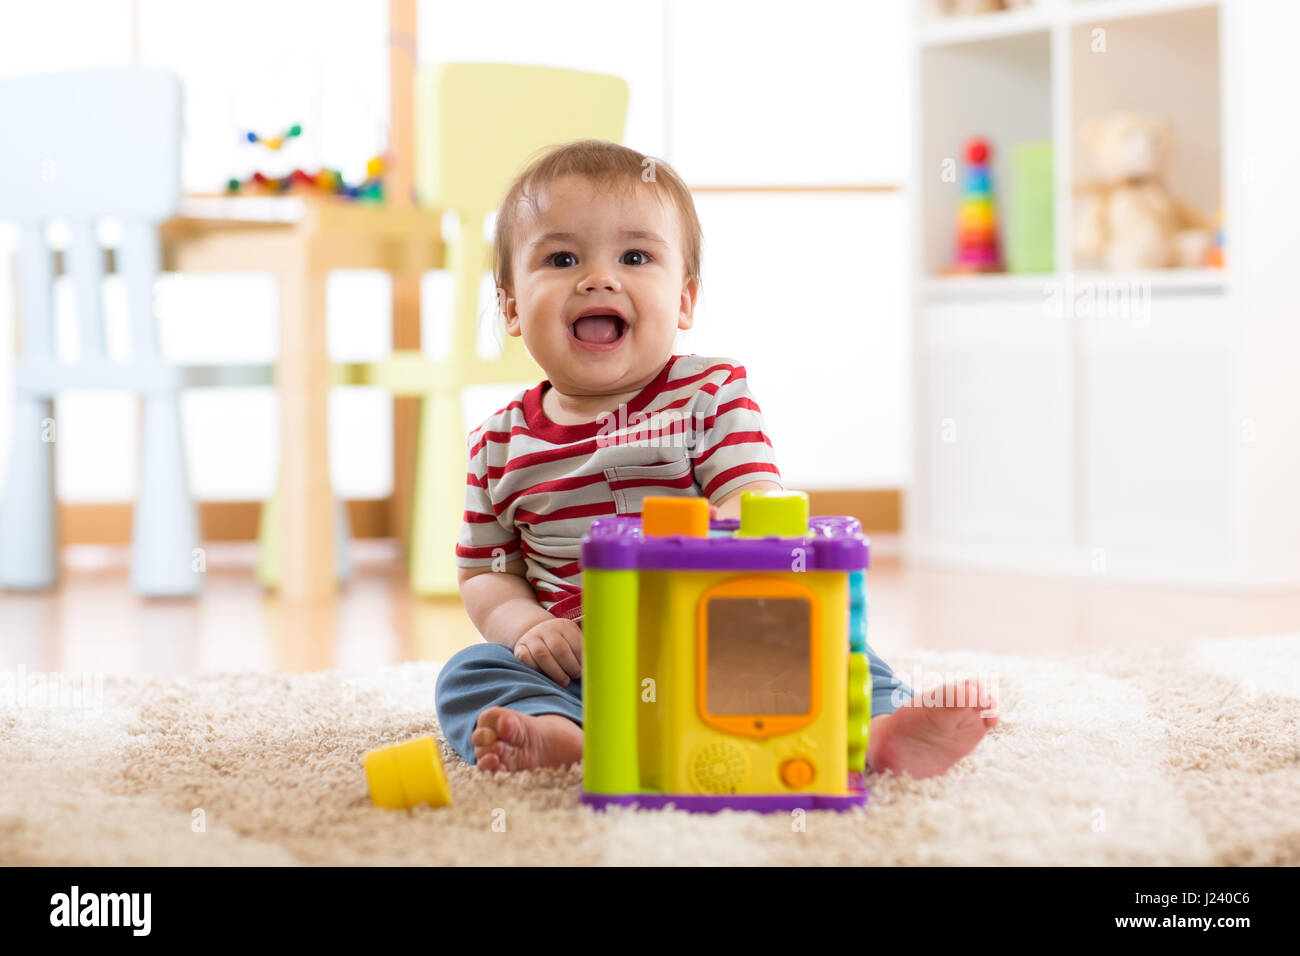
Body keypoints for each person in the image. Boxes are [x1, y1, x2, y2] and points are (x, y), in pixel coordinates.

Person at [435, 140, 998, 780]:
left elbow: (750, 499)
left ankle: (877, 730)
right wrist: (528, 626)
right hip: (583, 666)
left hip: (716, 643)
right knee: (467, 674)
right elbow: (486, 573)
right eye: (562, 258)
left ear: (684, 300)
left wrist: (721, 564)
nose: (599, 277)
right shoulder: (498, 443)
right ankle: (564, 736)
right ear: (510, 305)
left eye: (636, 256)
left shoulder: (709, 395)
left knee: (832, 638)